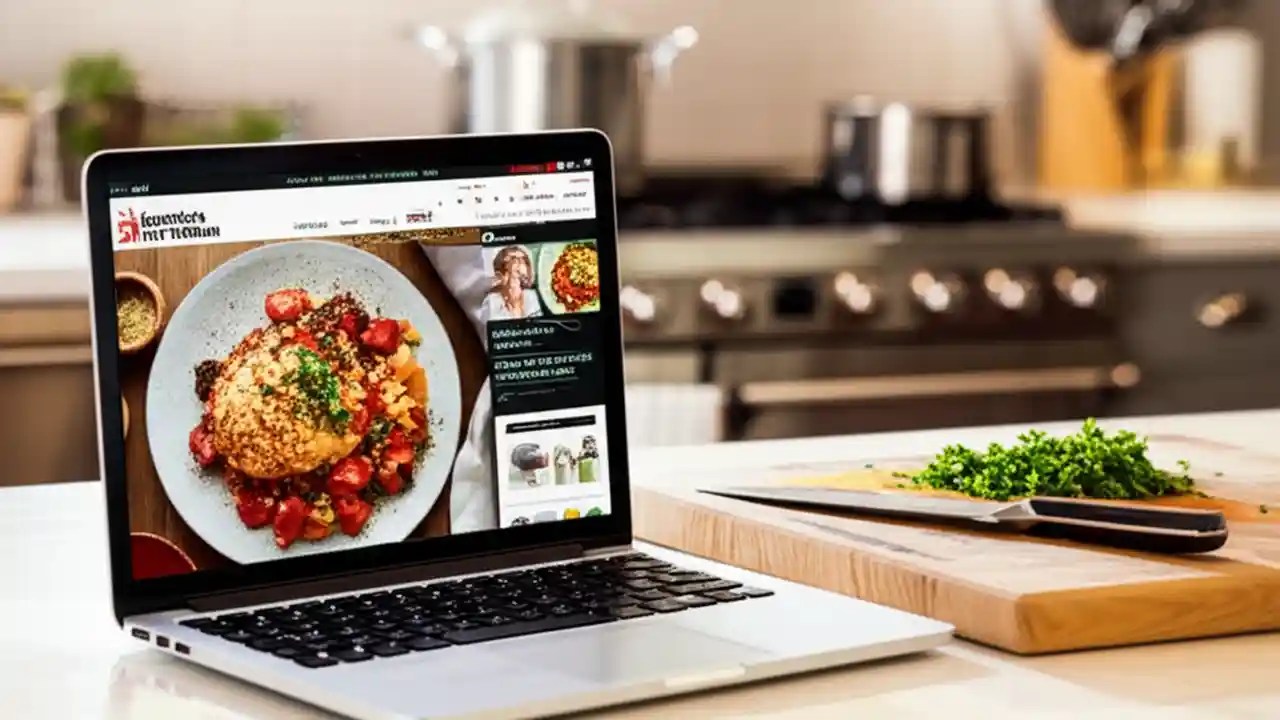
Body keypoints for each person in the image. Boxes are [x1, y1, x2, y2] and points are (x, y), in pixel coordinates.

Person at [485, 245, 542, 320]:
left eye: (523, 259)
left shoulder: (531, 296)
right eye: (514, 258)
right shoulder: (492, 300)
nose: (520, 263)